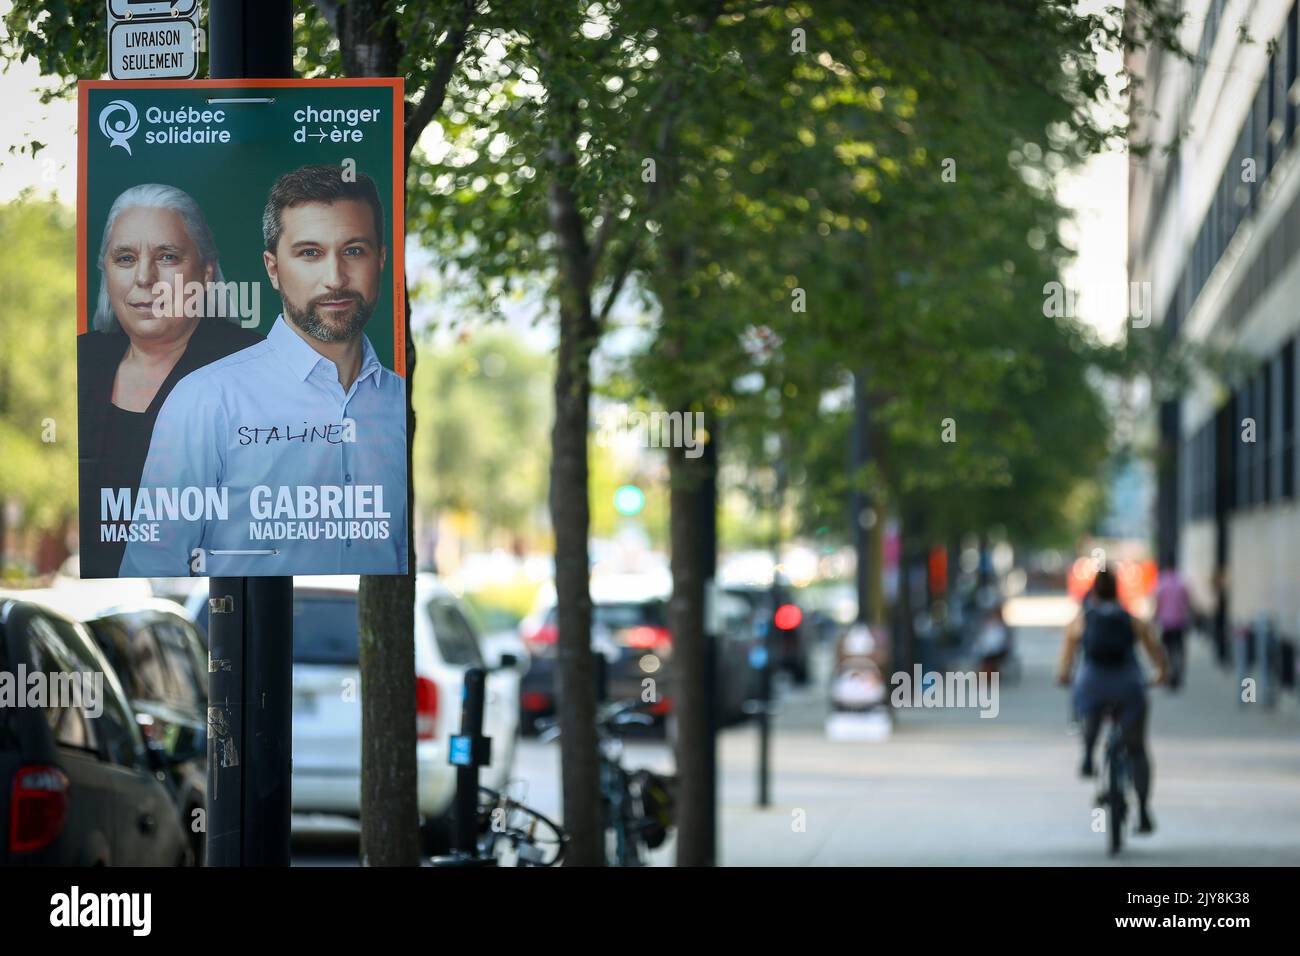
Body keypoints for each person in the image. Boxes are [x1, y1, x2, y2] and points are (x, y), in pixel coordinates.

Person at [119, 165, 407, 577]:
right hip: (242, 638)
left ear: (380, 259)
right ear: (272, 268)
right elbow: (152, 568)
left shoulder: (400, 403)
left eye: (354, 250)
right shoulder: (206, 400)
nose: (335, 278)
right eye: (310, 253)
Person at [77, 184, 264, 578]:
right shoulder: (80, 360)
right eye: (125, 258)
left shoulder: (255, 365)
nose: (145, 277)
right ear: (105, 271)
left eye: (167, 256)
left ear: (205, 271)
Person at [1056, 567, 1167, 834]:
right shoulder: (1131, 620)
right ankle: (1142, 812)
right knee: (1137, 748)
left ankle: (1088, 752)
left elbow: (1066, 658)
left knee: (1086, 698)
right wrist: (1161, 674)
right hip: (1129, 686)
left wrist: (1064, 675)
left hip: (1092, 684)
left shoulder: (1083, 619)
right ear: (1118, 590)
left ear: (1093, 591)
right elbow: (1156, 654)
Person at [1153, 562, 1193, 691]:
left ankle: (1169, 675)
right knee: (1179, 650)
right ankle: (1178, 675)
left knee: (1167, 650)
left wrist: (1155, 617)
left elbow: (1157, 602)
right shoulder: (1181, 582)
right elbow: (1187, 601)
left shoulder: (1162, 582)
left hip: (1166, 623)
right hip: (1179, 622)